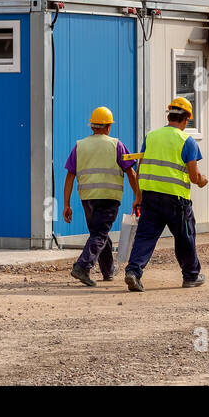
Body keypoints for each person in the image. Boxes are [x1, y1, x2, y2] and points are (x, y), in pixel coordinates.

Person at [124, 97, 208, 291]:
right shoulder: (187, 141)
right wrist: (203, 180)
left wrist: (138, 196)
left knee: (145, 237)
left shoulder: (151, 137)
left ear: (169, 116)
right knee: (185, 237)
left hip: (150, 197)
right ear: (186, 119)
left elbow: (141, 167)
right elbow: (194, 176)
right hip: (176, 200)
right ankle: (191, 276)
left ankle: (133, 272)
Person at [62, 106, 140, 287]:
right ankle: (82, 266)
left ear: (92, 126)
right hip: (109, 197)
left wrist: (66, 204)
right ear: (108, 126)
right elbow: (131, 173)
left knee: (98, 232)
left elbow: (70, 176)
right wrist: (138, 196)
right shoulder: (116, 145)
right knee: (100, 233)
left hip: (87, 198)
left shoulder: (79, 146)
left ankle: (108, 270)